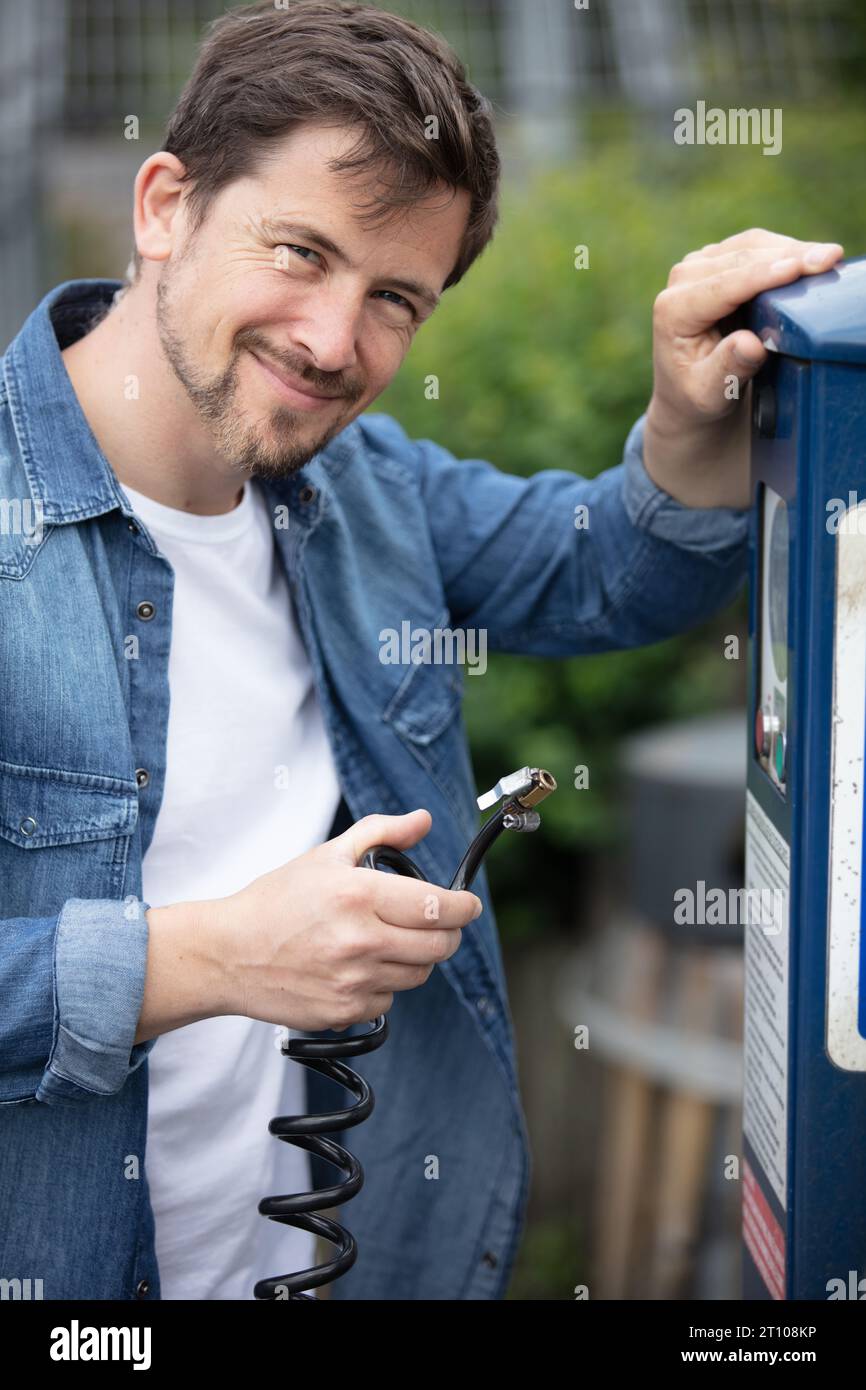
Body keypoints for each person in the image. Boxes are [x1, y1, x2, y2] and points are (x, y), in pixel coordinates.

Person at [0, 0, 843, 1301]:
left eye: (394, 298)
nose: (335, 343)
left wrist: (686, 422)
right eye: (298, 251)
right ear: (164, 203)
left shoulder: (362, 487)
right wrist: (211, 955)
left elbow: (601, 568)